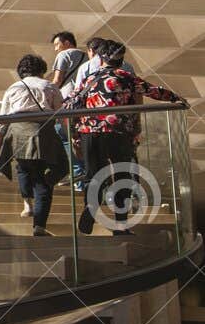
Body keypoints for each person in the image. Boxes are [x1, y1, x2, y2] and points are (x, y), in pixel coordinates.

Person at [70, 41, 182, 235]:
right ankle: (120, 225)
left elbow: (71, 103)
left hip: (90, 133)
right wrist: (175, 98)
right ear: (121, 59)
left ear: (100, 58)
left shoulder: (89, 79)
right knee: (123, 175)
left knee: (93, 176)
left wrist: (75, 133)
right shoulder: (126, 77)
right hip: (118, 132)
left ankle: (91, 207)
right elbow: (152, 90)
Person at [0, 54, 67, 234]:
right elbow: (60, 115)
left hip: (17, 132)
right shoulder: (49, 86)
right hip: (44, 133)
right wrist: (69, 136)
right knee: (48, 177)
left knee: (23, 168)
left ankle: (27, 204)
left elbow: (3, 119)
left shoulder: (13, 88)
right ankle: (39, 225)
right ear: (42, 70)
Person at [50, 31, 88, 185]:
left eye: (57, 44)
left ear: (66, 43)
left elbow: (57, 80)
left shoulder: (64, 55)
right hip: (84, 104)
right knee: (81, 139)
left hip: (67, 103)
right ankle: (86, 177)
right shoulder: (87, 57)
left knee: (65, 137)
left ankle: (78, 177)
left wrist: (47, 90)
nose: (56, 49)